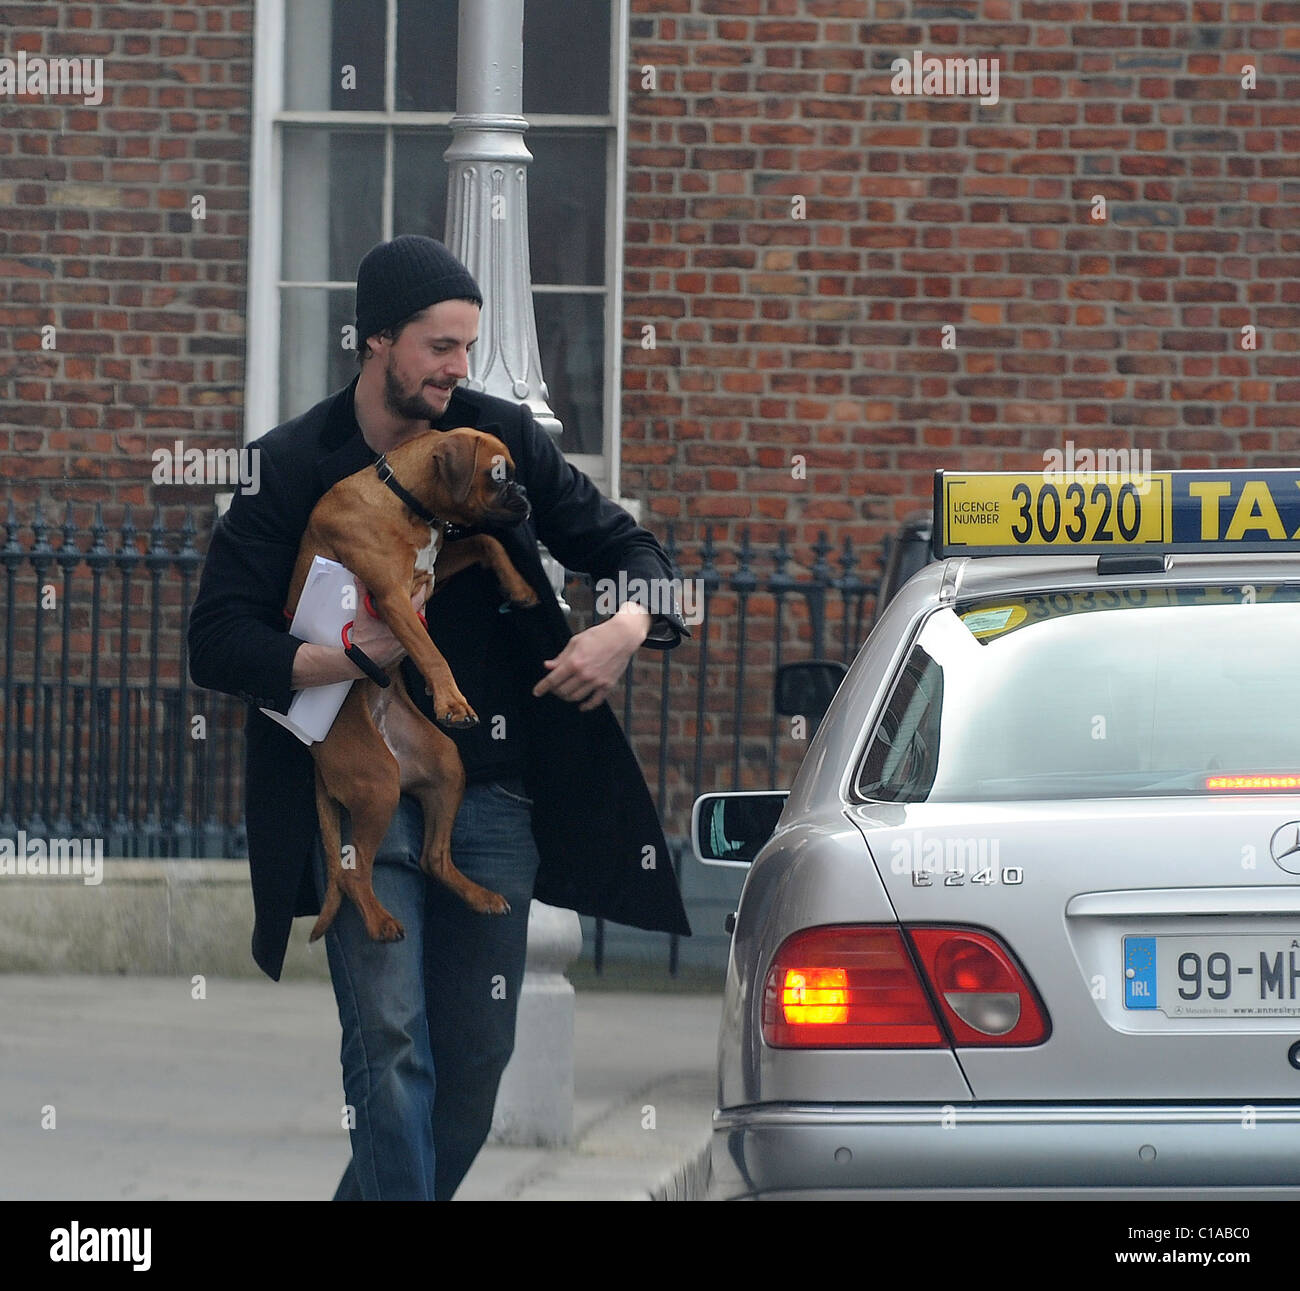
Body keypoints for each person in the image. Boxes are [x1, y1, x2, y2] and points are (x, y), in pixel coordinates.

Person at [187, 234, 690, 1200]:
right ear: (376, 342)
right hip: (353, 778)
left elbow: (631, 547)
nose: (460, 369)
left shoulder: (497, 445)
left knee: (472, 1067)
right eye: (440, 347)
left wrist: (625, 626)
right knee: (391, 1040)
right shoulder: (291, 466)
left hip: (491, 796)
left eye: (468, 347)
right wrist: (344, 657)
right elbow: (216, 639)